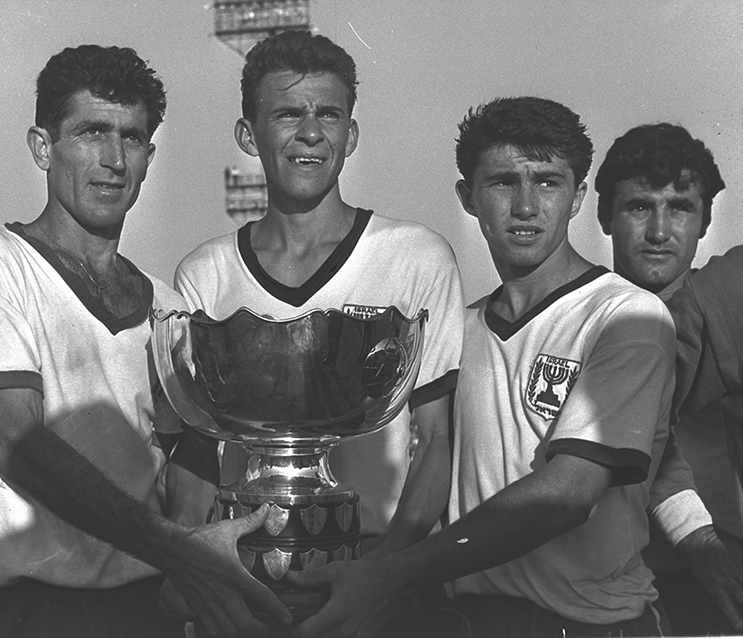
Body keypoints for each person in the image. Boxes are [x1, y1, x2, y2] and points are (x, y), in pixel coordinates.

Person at [0, 44, 290, 638]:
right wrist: (175, 547)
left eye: (132, 138)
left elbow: (191, 454)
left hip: (140, 608)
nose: (114, 159)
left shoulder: (168, 304)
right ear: (43, 147)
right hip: (15, 610)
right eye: (91, 132)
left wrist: (187, 552)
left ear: (149, 156)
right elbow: (19, 442)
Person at [289, 96, 679, 638]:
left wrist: (393, 572)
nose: (525, 206)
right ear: (467, 197)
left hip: (590, 624)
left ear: (578, 197)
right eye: (501, 183)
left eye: (547, 182)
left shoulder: (625, 316)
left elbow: (568, 495)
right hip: (466, 620)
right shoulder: (458, 329)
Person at [173, 29, 464, 559]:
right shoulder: (206, 272)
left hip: (373, 555)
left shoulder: (416, 255)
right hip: (244, 558)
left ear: (350, 135)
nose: (310, 133)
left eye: (327, 115)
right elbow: (197, 447)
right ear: (247, 134)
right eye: (287, 115)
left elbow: (436, 442)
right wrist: (192, 563)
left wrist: (384, 572)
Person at [596, 122, 743, 633]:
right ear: (605, 216)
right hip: (629, 579)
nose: (659, 232)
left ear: (704, 222)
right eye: (640, 207)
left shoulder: (724, 295)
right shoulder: (582, 320)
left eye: (679, 207)